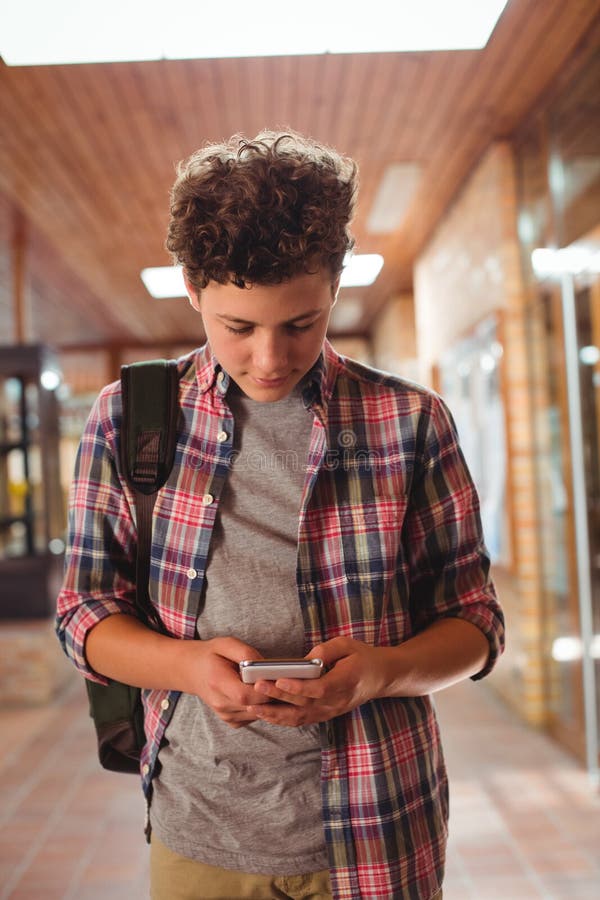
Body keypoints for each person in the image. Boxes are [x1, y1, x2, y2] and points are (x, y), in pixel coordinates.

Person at [56, 130, 505, 900]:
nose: (269, 357)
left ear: (335, 285)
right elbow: (83, 612)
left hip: (381, 824)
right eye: (238, 327)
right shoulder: (130, 415)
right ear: (193, 292)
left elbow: (476, 625)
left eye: (302, 323)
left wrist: (382, 672)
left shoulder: (411, 421)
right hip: (200, 829)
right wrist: (188, 669)